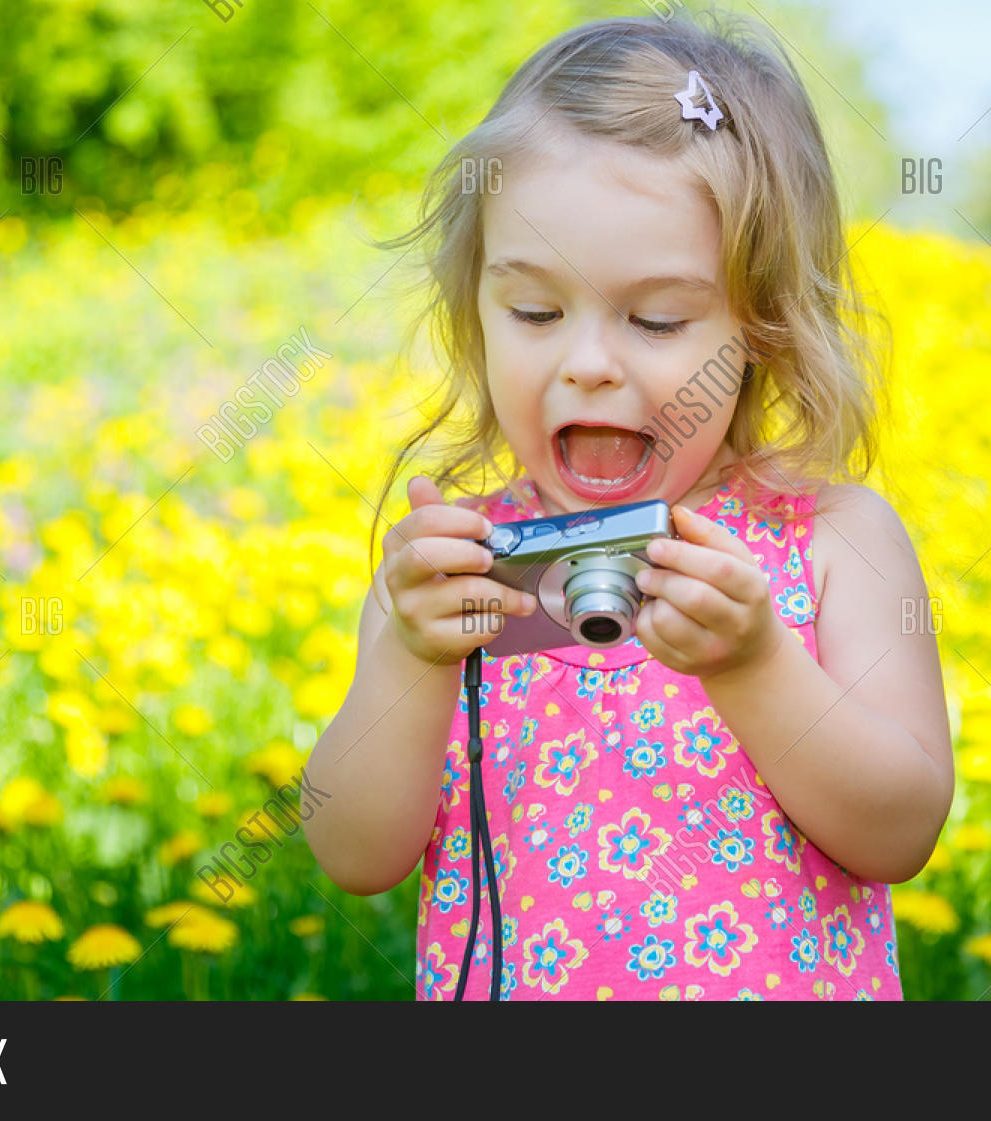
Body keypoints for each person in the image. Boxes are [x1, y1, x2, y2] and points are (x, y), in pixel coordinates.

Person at [302, 8, 954, 1000]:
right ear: (477, 309)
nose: (589, 363)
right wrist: (409, 658)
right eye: (535, 310)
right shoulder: (458, 568)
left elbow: (900, 830)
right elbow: (354, 852)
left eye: (655, 319)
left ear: (765, 328)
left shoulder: (830, 541)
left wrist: (755, 664)